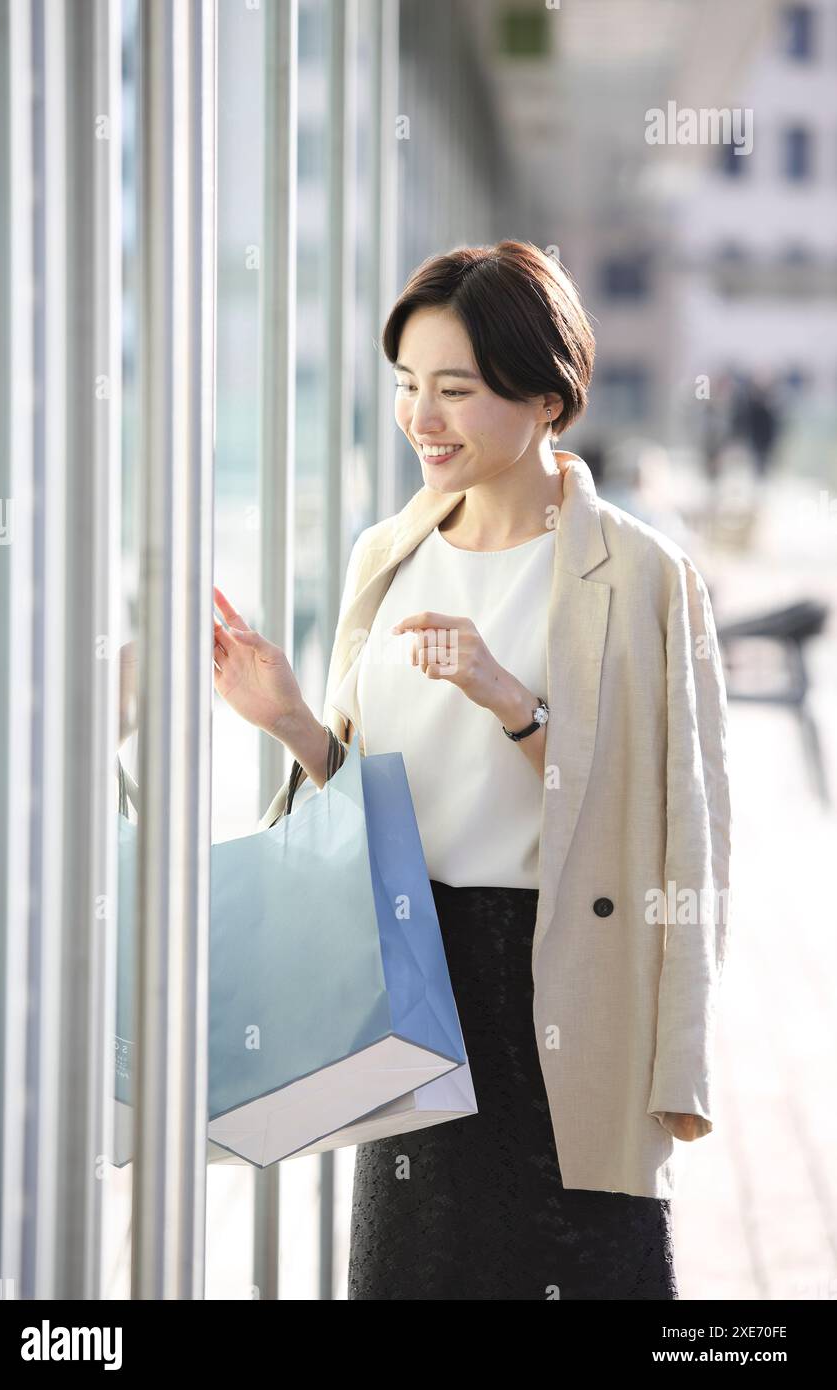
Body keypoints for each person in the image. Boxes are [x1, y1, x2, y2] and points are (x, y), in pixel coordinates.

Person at [212, 239, 732, 1300]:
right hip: (415, 981)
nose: (421, 418)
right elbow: (371, 806)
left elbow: (676, 823)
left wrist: (513, 703)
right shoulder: (386, 557)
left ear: (545, 397)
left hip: (561, 989)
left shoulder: (637, 574)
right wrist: (294, 722)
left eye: (454, 388)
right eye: (407, 385)